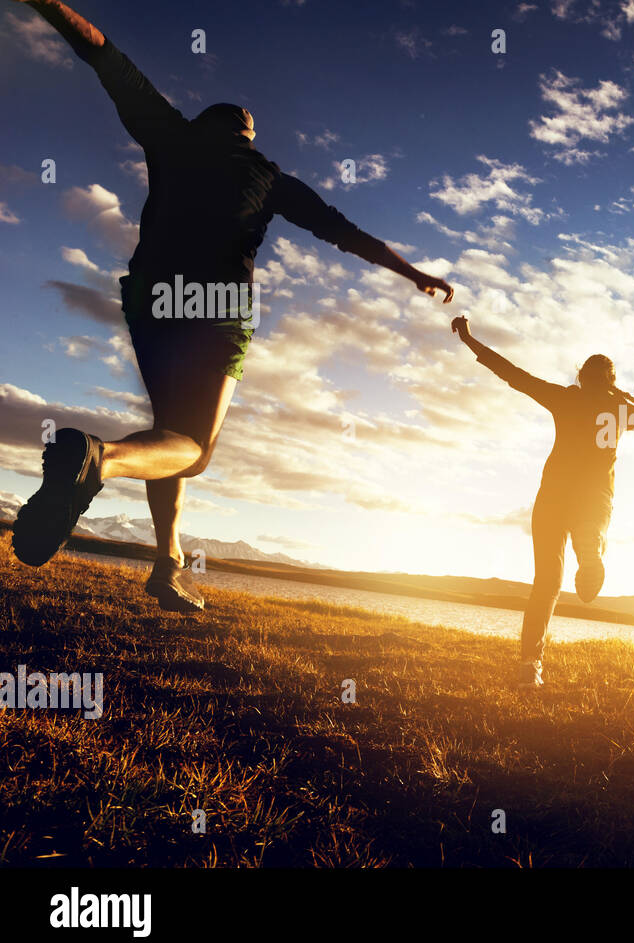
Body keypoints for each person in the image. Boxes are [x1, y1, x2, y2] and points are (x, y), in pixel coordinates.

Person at [10, 0, 454, 614]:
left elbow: (100, 51)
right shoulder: (266, 176)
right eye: (243, 117)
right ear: (236, 132)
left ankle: (167, 563)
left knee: (168, 430)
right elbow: (342, 231)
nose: (248, 115)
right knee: (193, 449)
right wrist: (412, 273)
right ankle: (99, 459)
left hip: (150, 297)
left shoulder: (168, 133)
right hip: (216, 305)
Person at [452, 316, 634, 688]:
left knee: (547, 584)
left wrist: (470, 339)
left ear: (581, 377)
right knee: (594, 525)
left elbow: (513, 375)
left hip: (553, 496)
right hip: (595, 496)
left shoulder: (565, 397)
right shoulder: (621, 409)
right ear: (611, 381)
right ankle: (590, 547)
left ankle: (528, 667)